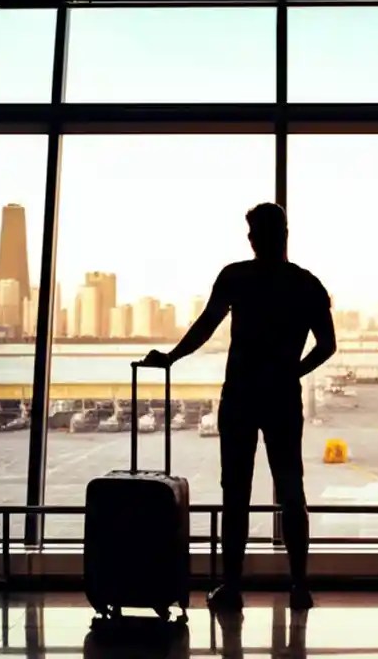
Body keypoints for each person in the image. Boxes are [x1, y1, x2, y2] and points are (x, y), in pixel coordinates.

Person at [143, 202, 336, 612]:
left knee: (236, 494)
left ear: (255, 238)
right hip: (281, 398)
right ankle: (299, 587)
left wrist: (173, 357)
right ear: (286, 234)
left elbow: (206, 324)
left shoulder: (236, 277)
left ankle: (232, 587)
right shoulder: (307, 285)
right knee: (291, 490)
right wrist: (292, 372)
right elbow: (327, 345)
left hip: (241, 396)